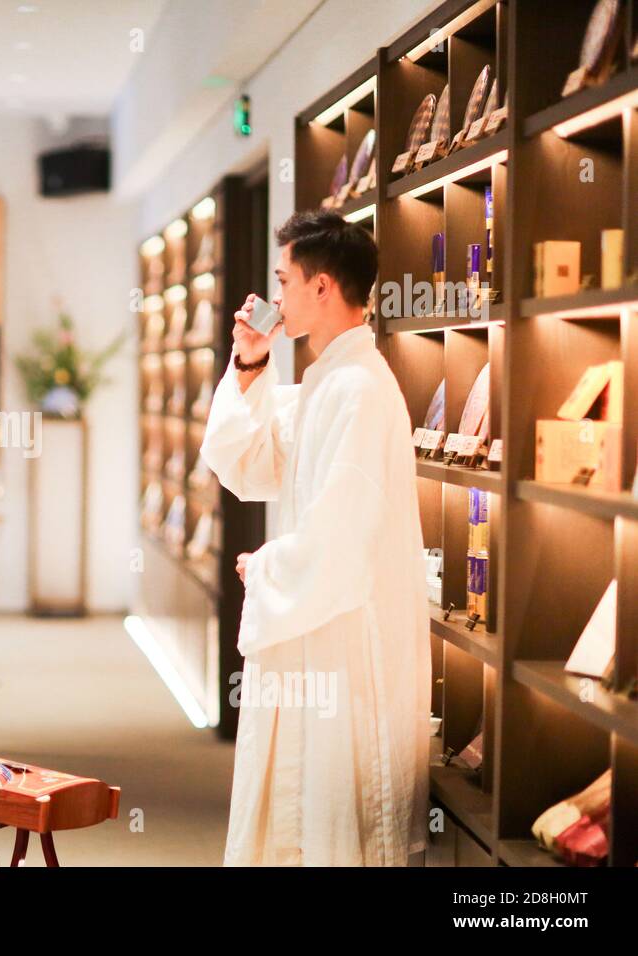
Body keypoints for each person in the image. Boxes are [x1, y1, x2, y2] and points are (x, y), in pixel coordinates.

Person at [201, 210, 430, 866]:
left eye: (284, 280)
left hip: (347, 636)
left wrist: (265, 566)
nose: (275, 297)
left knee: (333, 821)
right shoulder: (328, 380)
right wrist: (250, 358)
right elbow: (248, 461)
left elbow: (342, 533)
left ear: (322, 287)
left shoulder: (360, 389)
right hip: (318, 625)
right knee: (303, 815)